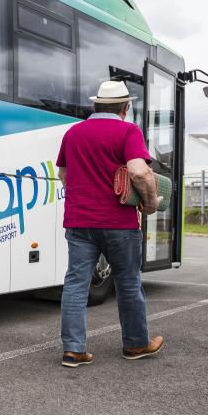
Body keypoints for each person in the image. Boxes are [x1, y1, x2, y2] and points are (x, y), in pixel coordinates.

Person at [56, 80, 165, 368]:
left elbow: (63, 175)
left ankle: (73, 350)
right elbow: (139, 172)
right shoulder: (128, 130)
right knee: (127, 282)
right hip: (118, 222)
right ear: (125, 107)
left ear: (96, 105)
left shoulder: (73, 132)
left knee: (76, 284)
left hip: (79, 221)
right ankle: (136, 344)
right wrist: (151, 202)